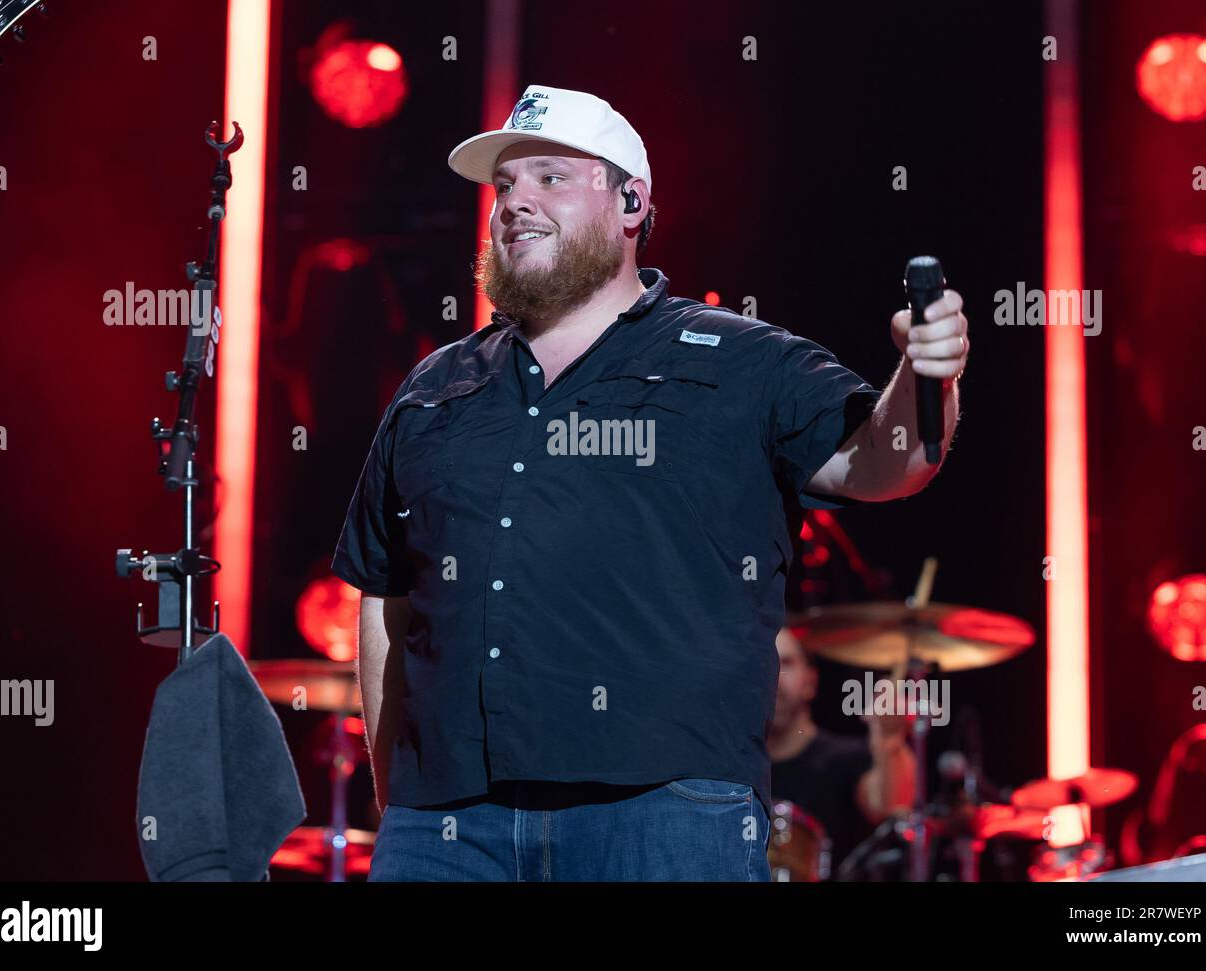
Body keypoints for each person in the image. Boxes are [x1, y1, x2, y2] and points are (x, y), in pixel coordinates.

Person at [331, 83, 968, 881]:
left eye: (550, 179)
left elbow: (883, 464)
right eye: (504, 187)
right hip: (448, 829)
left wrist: (925, 373)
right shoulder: (434, 388)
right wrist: (407, 809)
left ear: (631, 202)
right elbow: (385, 595)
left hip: (663, 816)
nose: (514, 204)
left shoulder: (743, 360)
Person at [768, 628, 916, 871]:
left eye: (787, 662)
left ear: (811, 681)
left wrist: (889, 741)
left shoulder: (845, 758)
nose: (774, 674)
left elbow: (891, 807)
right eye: (765, 660)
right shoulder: (728, 766)